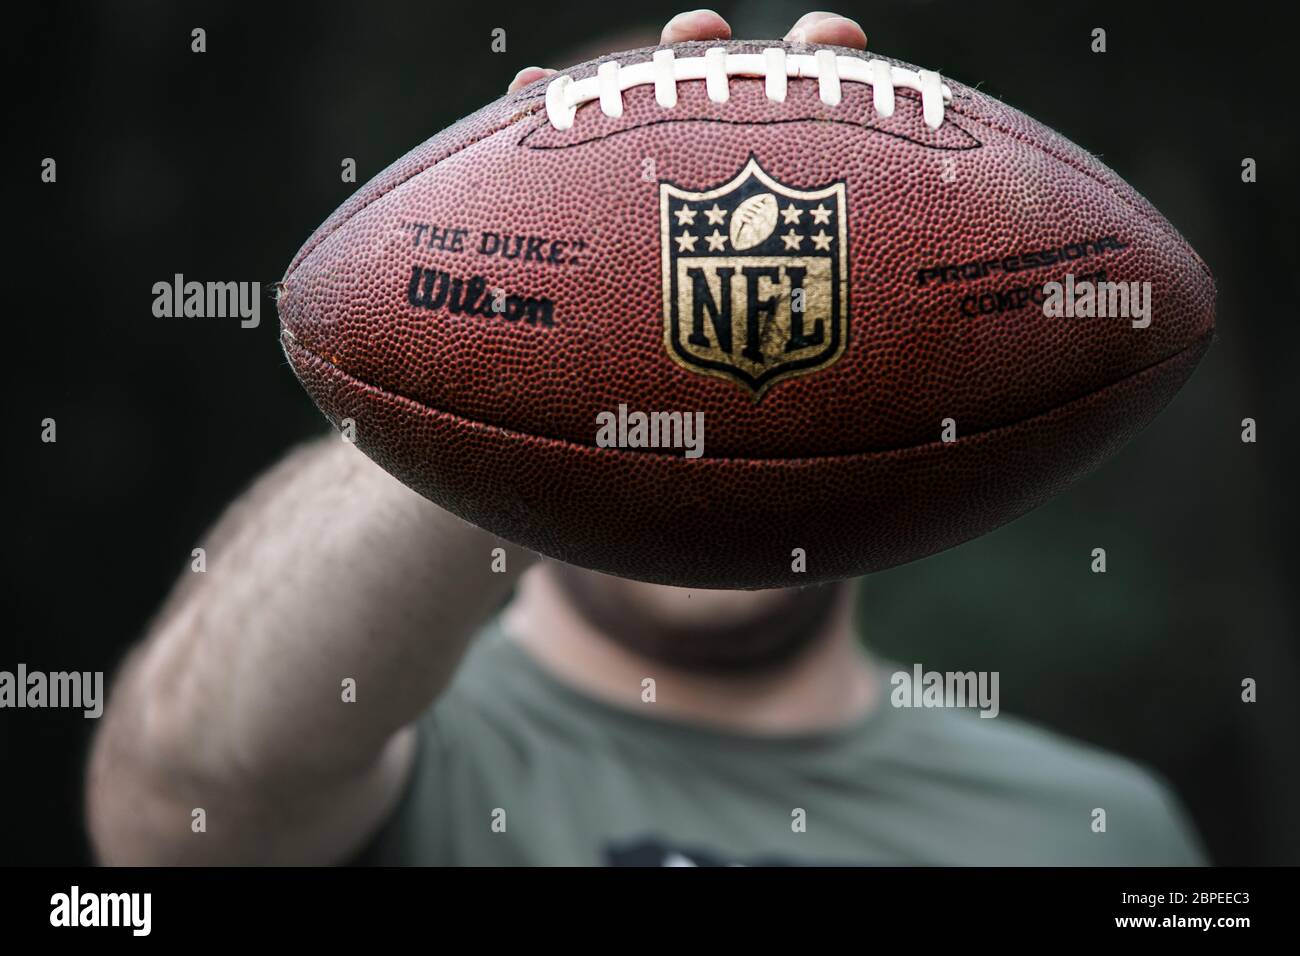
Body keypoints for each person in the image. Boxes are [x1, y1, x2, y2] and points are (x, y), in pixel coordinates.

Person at [85, 10, 1205, 867]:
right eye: (650, 306)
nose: (692, 387)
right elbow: (173, 800)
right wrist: (486, 366)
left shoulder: (1100, 830)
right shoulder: (411, 754)